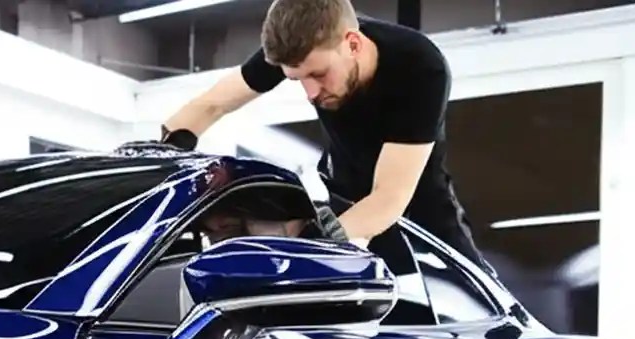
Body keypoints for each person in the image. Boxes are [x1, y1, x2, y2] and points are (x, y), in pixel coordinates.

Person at [153, 0, 498, 278]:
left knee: (478, 296)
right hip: (343, 196)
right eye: (297, 79)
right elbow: (210, 105)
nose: (310, 93)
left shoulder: (420, 67)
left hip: (419, 208)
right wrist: (161, 158)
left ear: (353, 44)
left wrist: (311, 242)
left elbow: (389, 198)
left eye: (318, 75)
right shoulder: (298, 47)